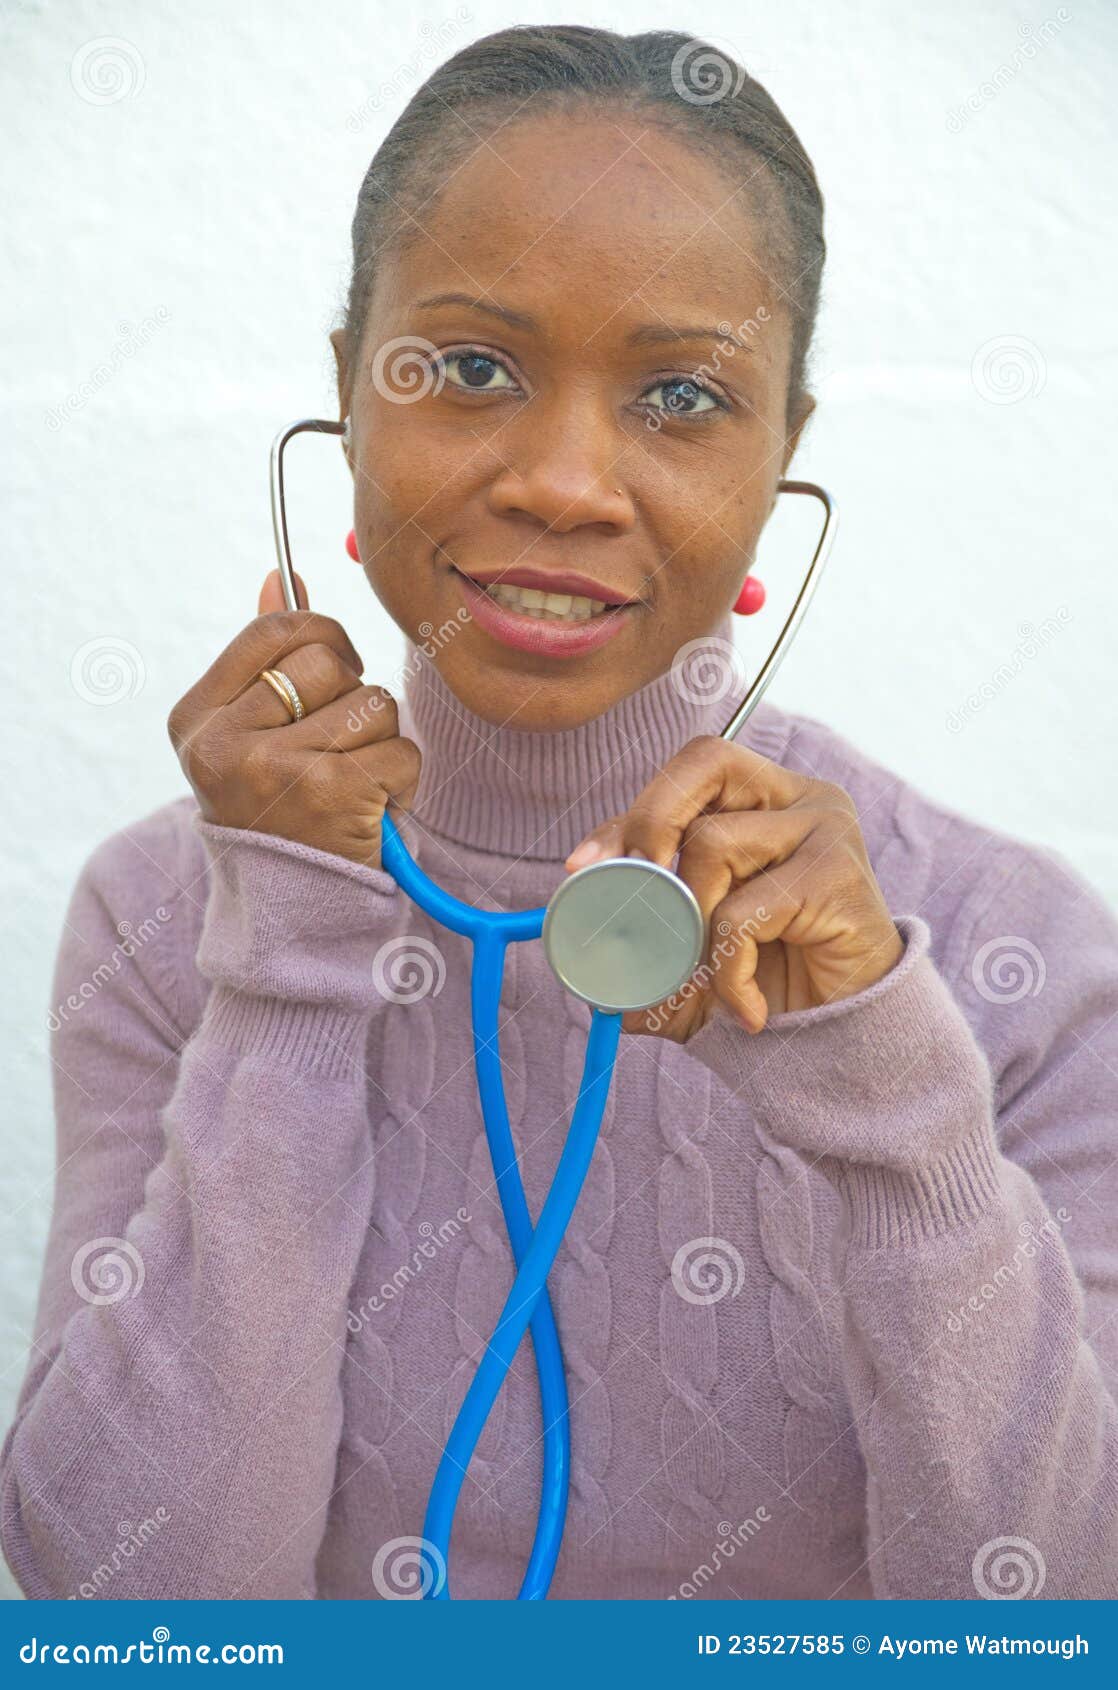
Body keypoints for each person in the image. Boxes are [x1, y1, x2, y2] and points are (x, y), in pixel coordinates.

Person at [3, 24, 1116, 1603]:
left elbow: (1046, 1619)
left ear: (778, 458)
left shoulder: (1011, 957)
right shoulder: (165, 916)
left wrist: (878, 1085)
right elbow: (139, 1616)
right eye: (469, 368)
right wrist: (289, 967)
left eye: (679, 393)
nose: (567, 480)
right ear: (346, 390)